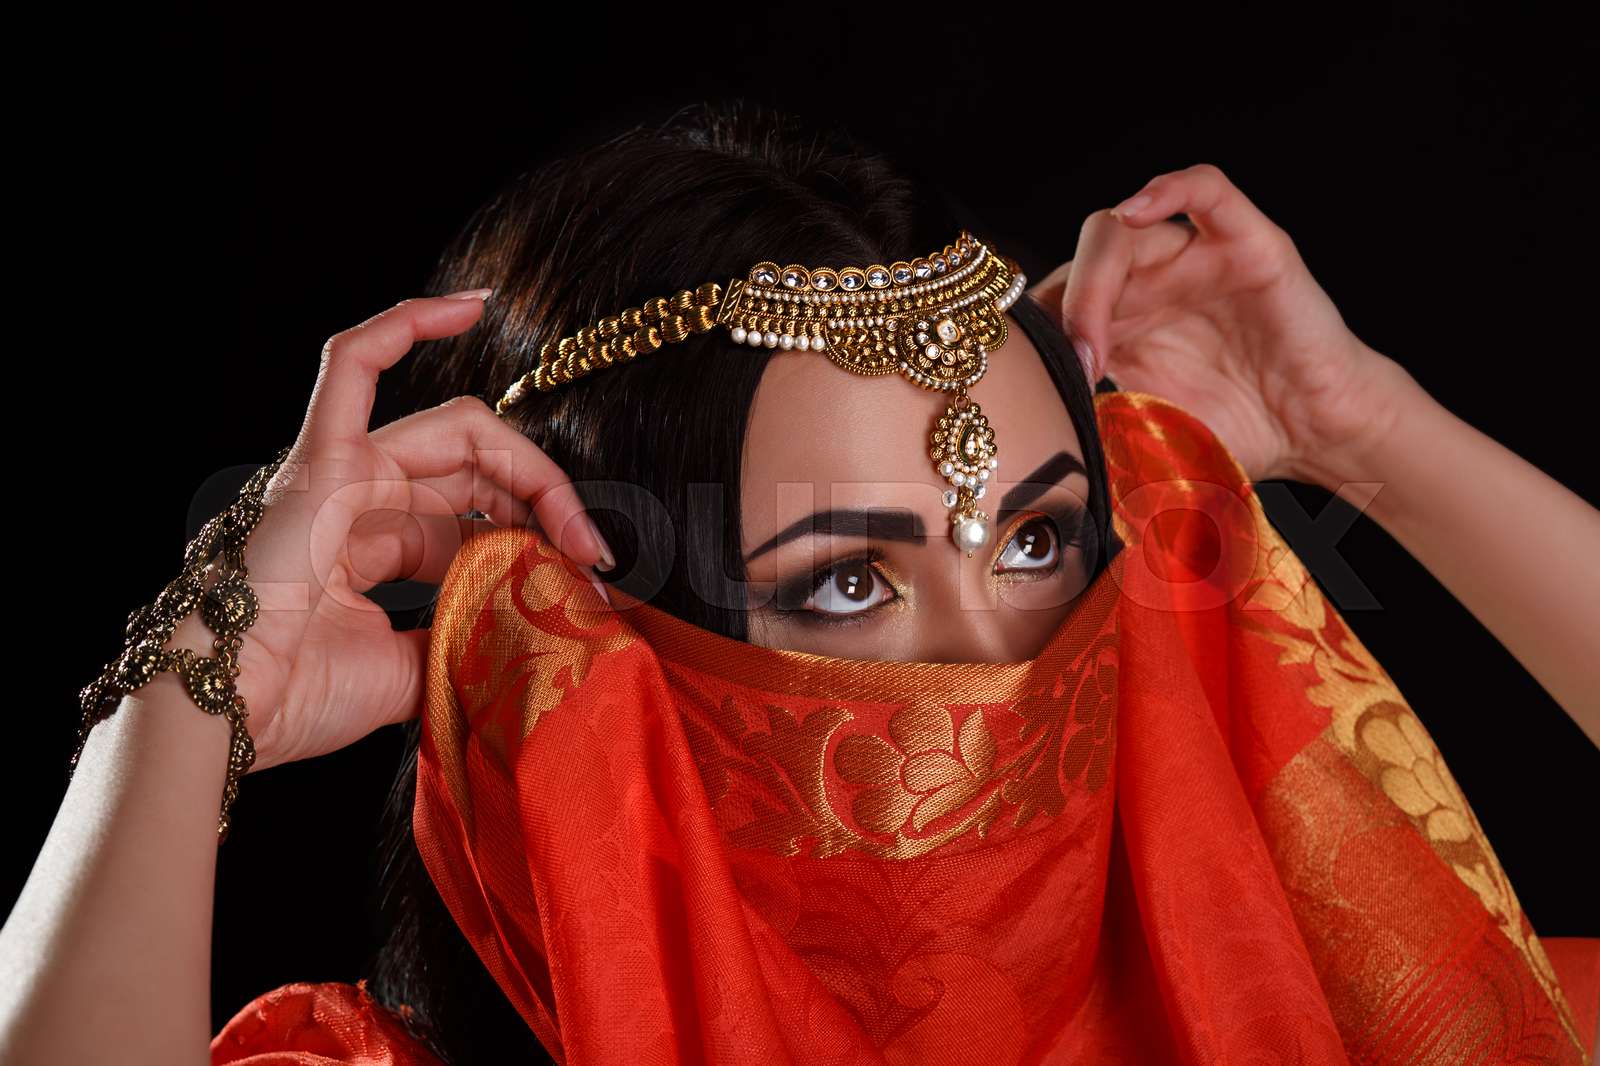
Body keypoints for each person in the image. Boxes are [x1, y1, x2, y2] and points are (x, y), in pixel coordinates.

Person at [2, 101, 1595, 1065]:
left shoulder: (1332, 1009)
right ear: (580, 647)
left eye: (1039, 542)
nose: (1003, 667)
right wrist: (196, 681)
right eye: (846, 584)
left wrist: (1363, 435)